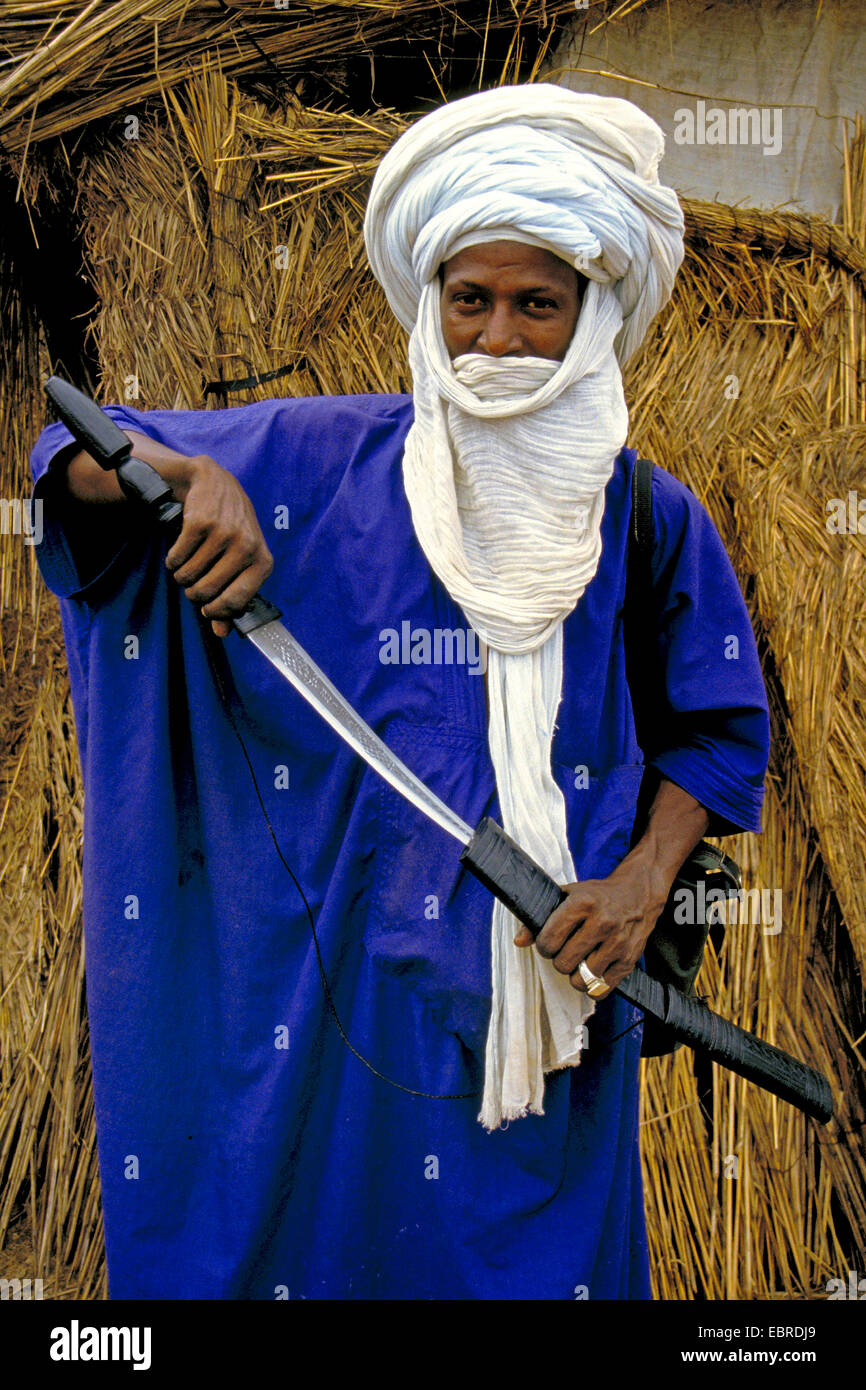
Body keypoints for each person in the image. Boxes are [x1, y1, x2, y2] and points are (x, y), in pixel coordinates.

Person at [30, 84, 770, 1299]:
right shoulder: (311, 457)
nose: (495, 339)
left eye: (536, 304)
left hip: (541, 1006)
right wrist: (181, 472)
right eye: (467, 301)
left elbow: (714, 734)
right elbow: (67, 464)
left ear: (590, 315)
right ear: (427, 304)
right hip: (320, 996)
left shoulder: (641, 517)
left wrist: (640, 888)